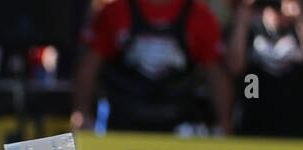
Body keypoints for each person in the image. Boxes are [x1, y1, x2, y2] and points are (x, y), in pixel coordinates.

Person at [73, 0, 233, 135]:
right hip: (123, 124)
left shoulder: (200, 16)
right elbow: (89, 67)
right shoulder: (115, 12)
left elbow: (216, 76)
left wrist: (223, 122)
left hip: (179, 125)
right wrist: (82, 112)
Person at [227, 0, 303, 136]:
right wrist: (242, 21)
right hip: (254, 123)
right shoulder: (249, 28)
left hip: (295, 123)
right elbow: (235, 67)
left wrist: (299, 18)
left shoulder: (298, 27)